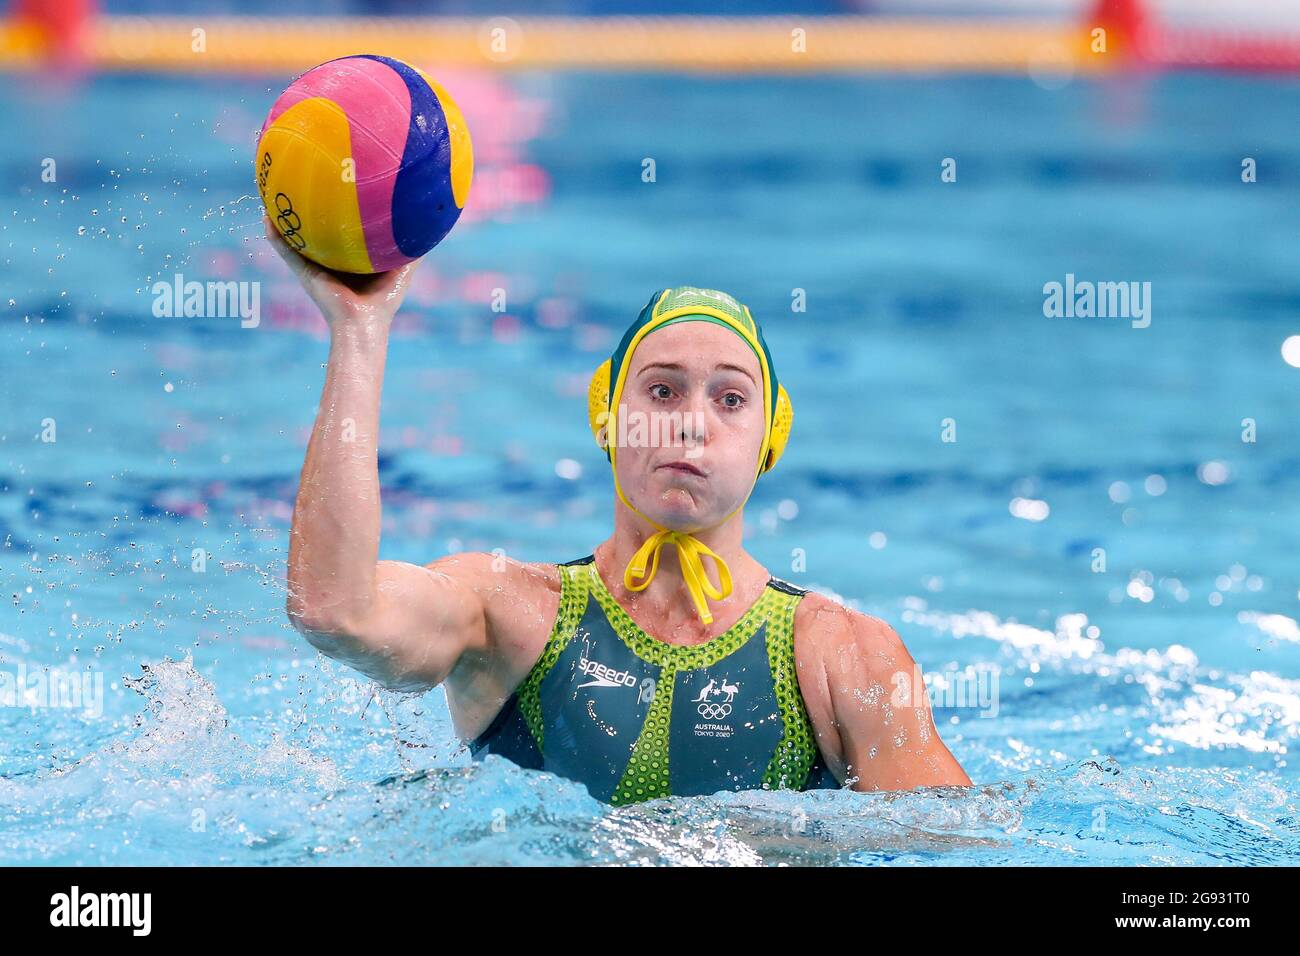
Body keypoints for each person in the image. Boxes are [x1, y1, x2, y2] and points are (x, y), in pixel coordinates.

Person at [272, 219, 972, 805]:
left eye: (730, 400)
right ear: (608, 417)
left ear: (770, 439)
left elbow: (960, 844)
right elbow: (335, 610)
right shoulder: (509, 614)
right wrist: (359, 329)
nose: (692, 424)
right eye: (662, 392)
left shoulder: (844, 655)